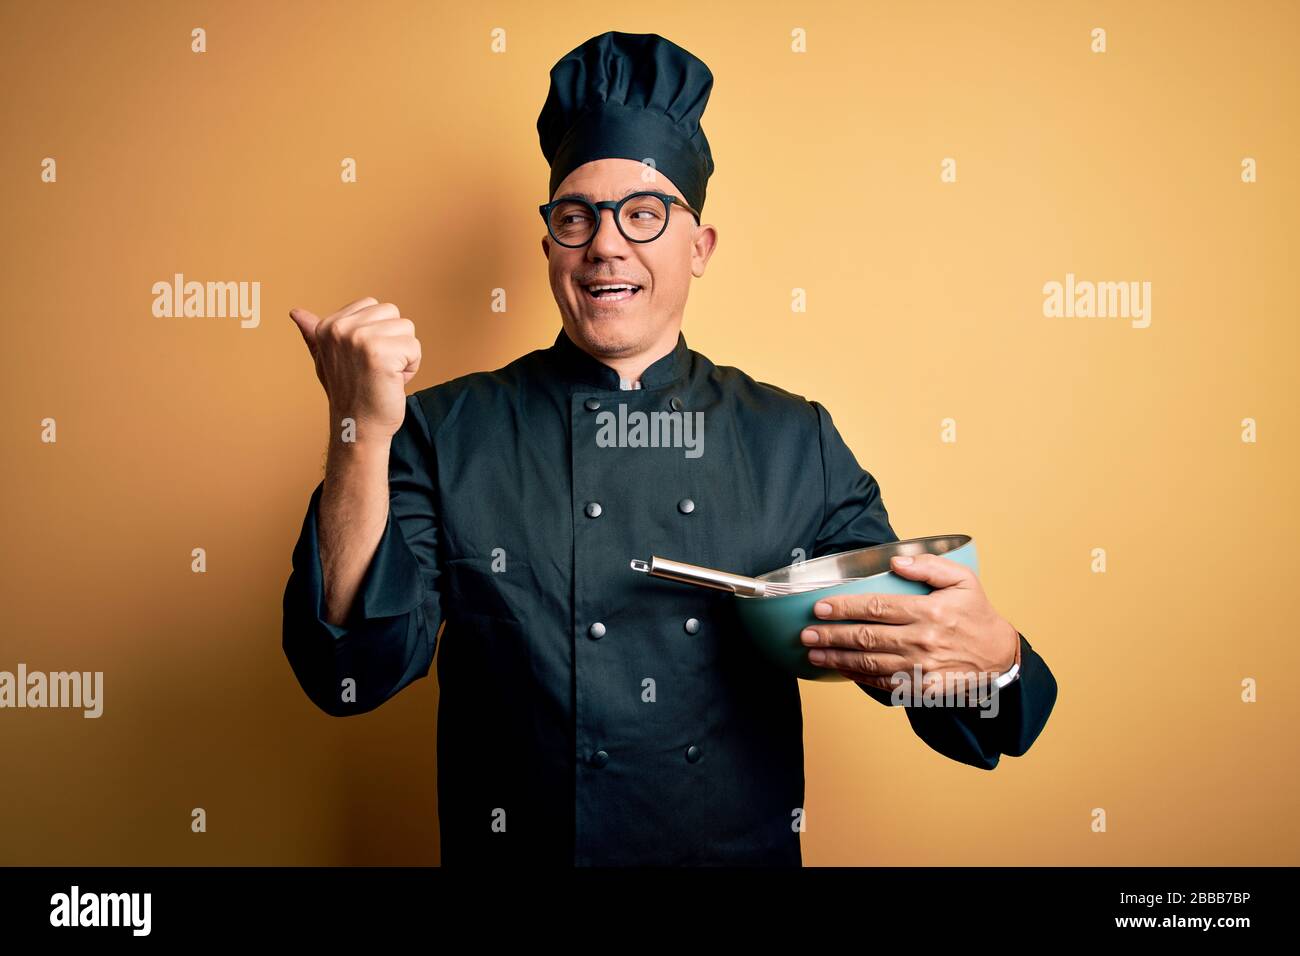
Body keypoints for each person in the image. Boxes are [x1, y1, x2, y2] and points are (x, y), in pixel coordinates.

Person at [281, 31, 1057, 866]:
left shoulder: (794, 440)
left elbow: (923, 671)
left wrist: (996, 663)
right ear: (549, 249)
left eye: (643, 214)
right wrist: (357, 429)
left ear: (700, 246)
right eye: (575, 217)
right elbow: (351, 672)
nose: (606, 244)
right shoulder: (443, 431)